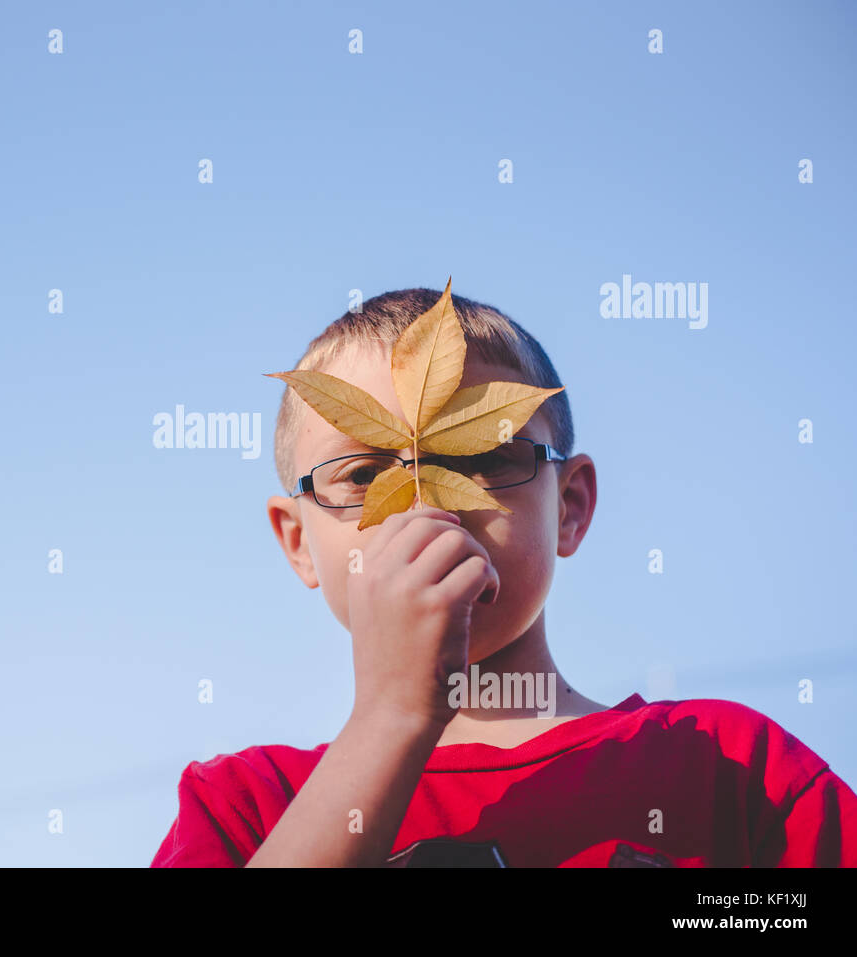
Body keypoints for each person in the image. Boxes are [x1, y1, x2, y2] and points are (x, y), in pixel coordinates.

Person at [150, 286, 856, 867]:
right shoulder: (246, 804)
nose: (427, 504)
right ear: (298, 540)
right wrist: (389, 717)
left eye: (484, 459)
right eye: (365, 474)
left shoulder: (732, 771)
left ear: (570, 506)